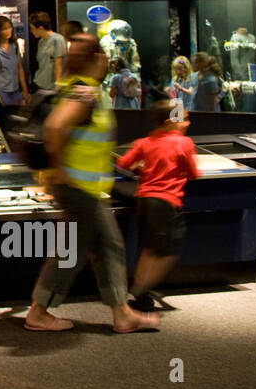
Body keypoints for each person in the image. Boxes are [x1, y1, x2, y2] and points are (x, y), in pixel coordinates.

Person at [24, 34, 158, 333]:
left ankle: (121, 312)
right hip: (77, 188)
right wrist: (59, 170)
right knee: (75, 250)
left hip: (85, 189)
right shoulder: (84, 92)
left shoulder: (78, 87)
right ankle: (39, 312)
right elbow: (55, 126)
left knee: (106, 246)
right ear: (98, 59)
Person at [118, 100, 199, 312]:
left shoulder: (144, 142)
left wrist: (141, 168)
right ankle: (140, 289)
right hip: (167, 202)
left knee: (149, 248)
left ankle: (141, 293)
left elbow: (123, 163)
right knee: (168, 251)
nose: (187, 123)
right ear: (170, 121)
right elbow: (194, 174)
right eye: (184, 118)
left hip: (144, 200)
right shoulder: (184, 143)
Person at [30, 11, 66, 92]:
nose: (31, 31)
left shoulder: (58, 39)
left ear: (41, 28)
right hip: (40, 84)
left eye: (32, 28)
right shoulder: (41, 42)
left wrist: (58, 84)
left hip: (52, 87)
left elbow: (58, 64)